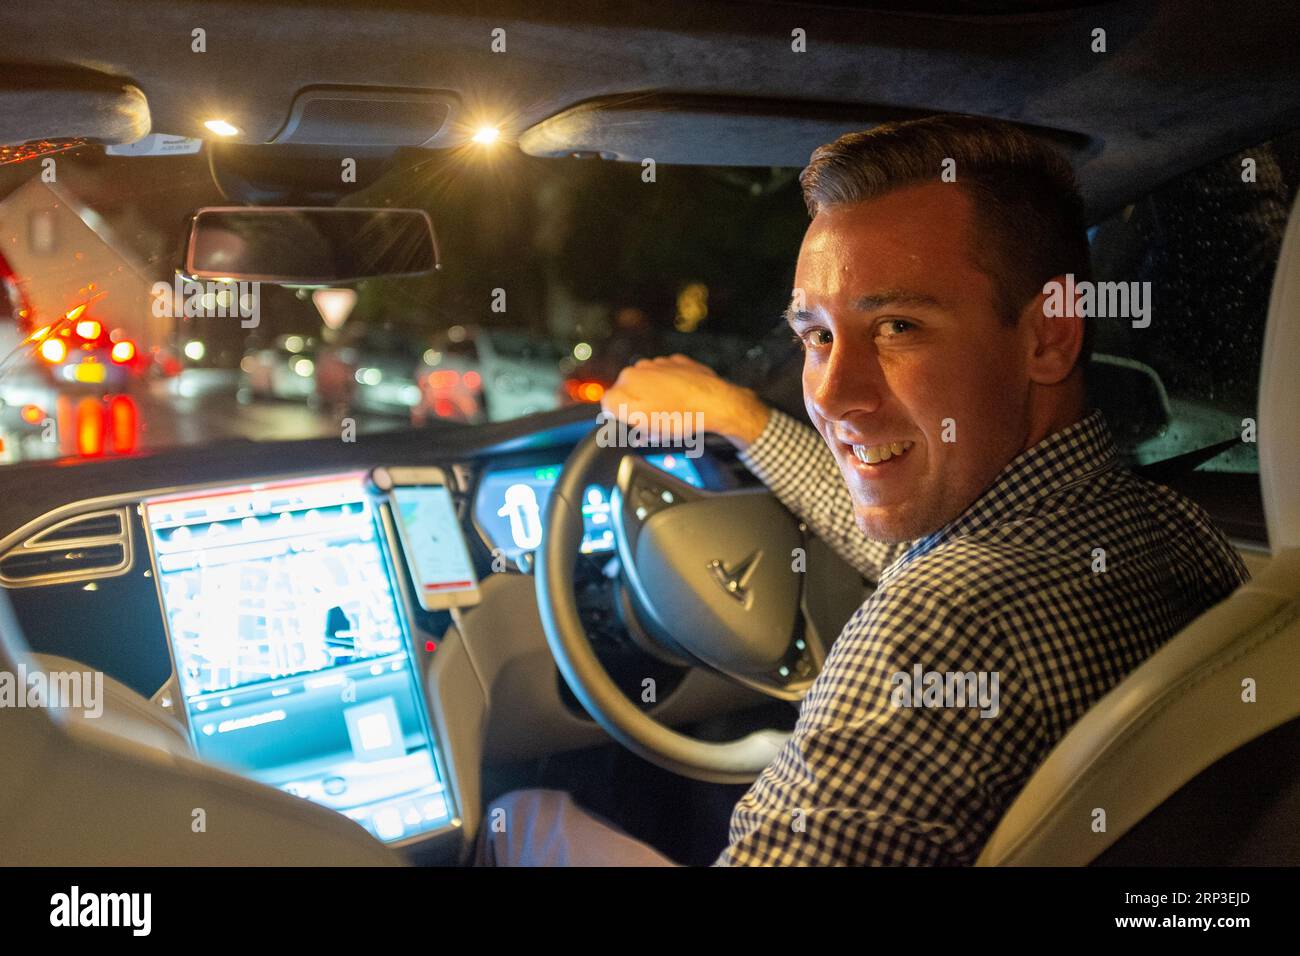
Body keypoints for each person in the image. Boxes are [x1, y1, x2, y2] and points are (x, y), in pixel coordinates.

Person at [476, 115, 1250, 866]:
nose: (834, 394)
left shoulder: (932, 627)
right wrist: (747, 420)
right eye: (817, 335)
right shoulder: (1171, 531)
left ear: (1049, 336)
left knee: (522, 820)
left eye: (899, 327)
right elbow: (918, 543)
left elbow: (941, 590)